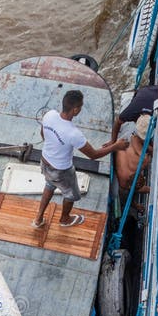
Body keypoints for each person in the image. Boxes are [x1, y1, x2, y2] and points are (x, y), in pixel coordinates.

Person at [33, 90, 128, 228]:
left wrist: (54, 145)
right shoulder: (74, 133)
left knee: (50, 184)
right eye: (81, 106)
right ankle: (65, 219)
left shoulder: (49, 114)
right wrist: (116, 146)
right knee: (71, 195)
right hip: (61, 170)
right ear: (75, 110)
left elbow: (43, 134)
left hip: (44, 161)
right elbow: (93, 155)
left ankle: (38, 219)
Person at [114, 114, 152, 192]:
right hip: (124, 139)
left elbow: (134, 137)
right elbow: (136, 188)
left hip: (124, 139)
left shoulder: (123, 183)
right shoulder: (144, 160)